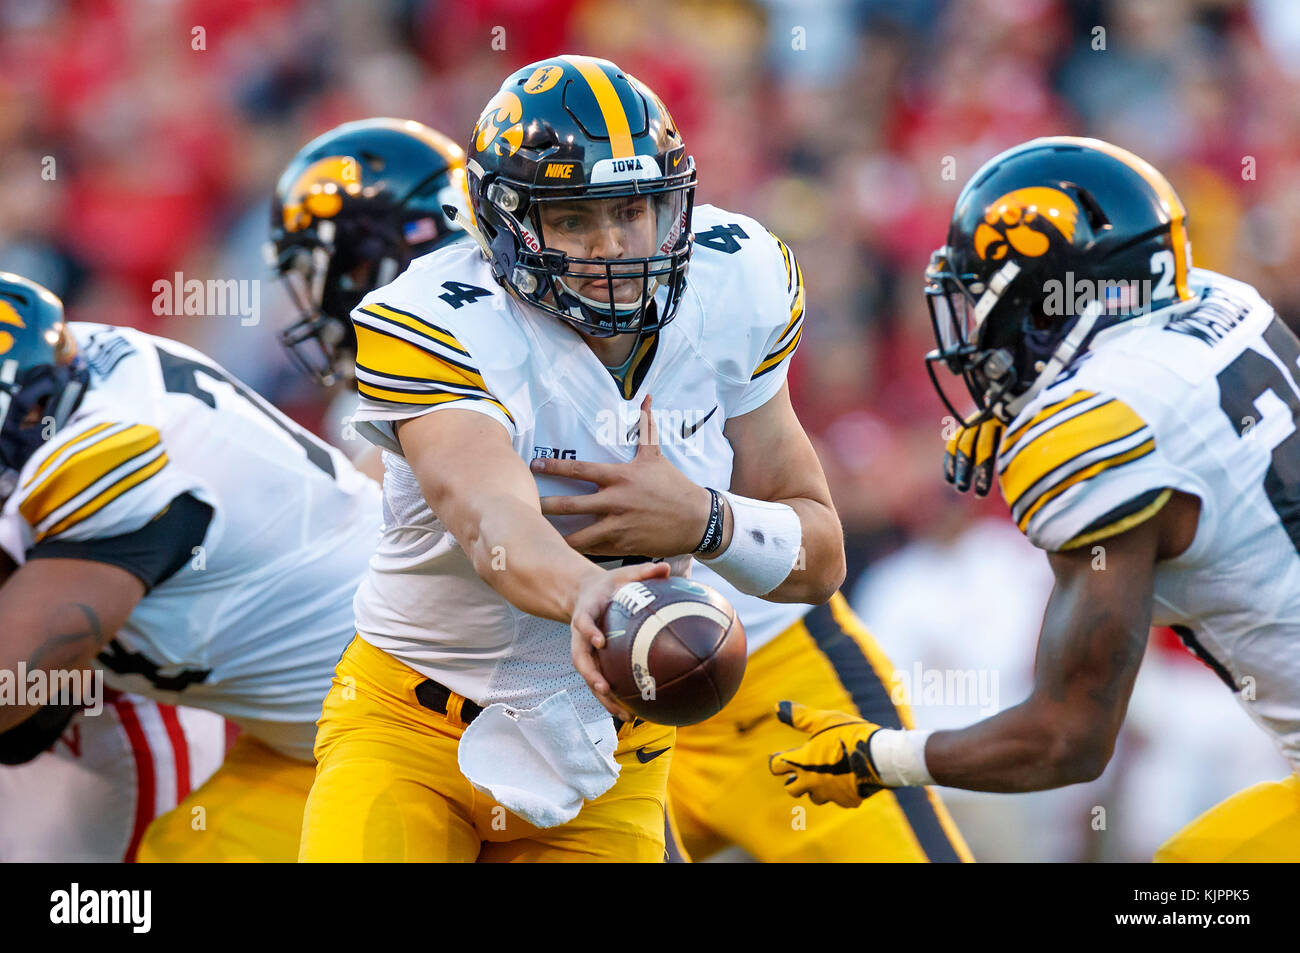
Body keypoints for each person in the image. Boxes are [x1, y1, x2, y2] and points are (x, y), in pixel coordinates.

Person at [298, 54, 846, 862]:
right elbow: (490, 516)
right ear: (509, 223)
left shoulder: (740, 280)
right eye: (576, 219)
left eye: (634, 211)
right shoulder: (431, 316)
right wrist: (588, 590)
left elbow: (819, 554)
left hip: (612, 747)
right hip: (411, 727)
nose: (614, 247)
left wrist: (705, 520)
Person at [769, 136, 1300, 862]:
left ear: (1053, 300)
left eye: (988, 301)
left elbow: (1067, 738)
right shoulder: (1220, 301)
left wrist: (879, 758)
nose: (976, 335)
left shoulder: (1095, 435)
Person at [0, 270, 380, 861]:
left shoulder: (110, 461)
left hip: (427, 730)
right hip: (306, 735)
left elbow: (15, 699)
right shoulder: (58, 362)